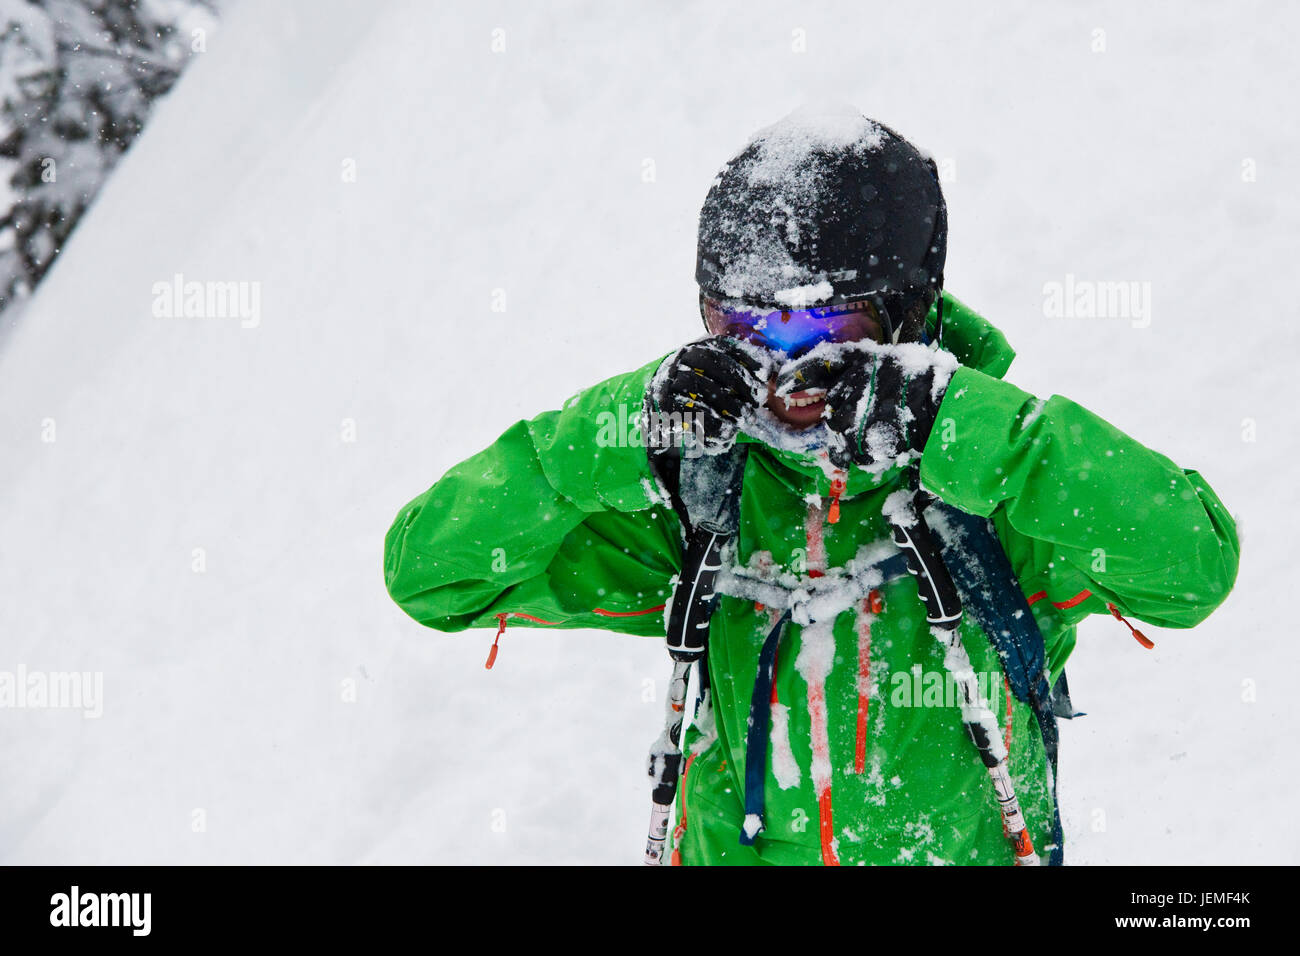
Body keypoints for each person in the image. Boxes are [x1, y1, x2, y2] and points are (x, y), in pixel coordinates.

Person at [384, 105, 1239, 866]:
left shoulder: (999, 505)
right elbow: (432, 574)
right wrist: (621, 431)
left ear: (907, 313)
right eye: (743, 328)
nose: (784, 369)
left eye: (826, 325)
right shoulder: (704, 502)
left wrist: (971, 432)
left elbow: (1193, 564)